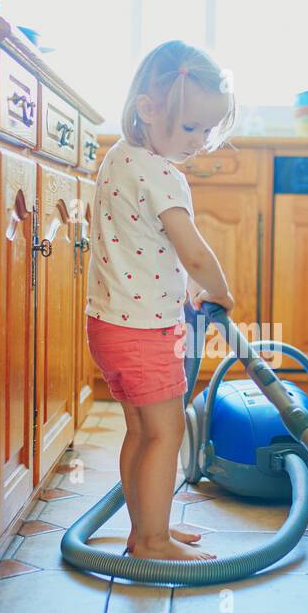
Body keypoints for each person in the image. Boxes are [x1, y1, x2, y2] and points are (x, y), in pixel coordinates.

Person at [85, 40, 238, 561]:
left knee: (141, 432)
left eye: (207, 130)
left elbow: (143, 242)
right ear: (146, 109)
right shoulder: (163, 174)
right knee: (166, 433)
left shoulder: (119, 158)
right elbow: (193, 252)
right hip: (146, 330)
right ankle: (152, 541)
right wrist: (219, 292)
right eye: (190, 127)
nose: (199, 141)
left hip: (110, 324)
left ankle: (147, 528)